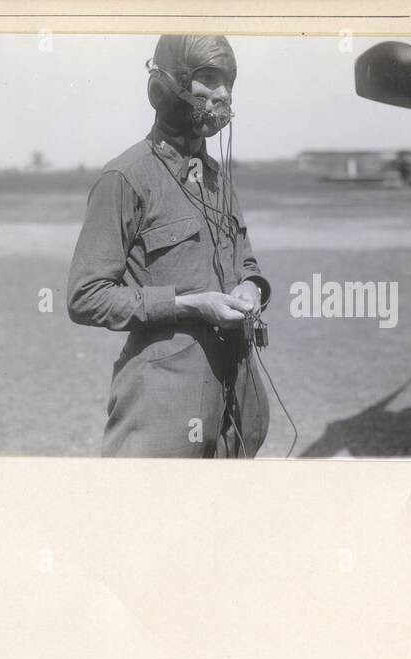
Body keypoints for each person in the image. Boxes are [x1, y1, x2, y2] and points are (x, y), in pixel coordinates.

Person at [68, 34, 272, 457]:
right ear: (166, 87)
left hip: (236, 394)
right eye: (209, 80)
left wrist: (252, 287)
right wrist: (189, 305)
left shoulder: (217, 179)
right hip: (163, 403)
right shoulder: (125, 178)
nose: (222, 95)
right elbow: (86, 297)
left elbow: (246, 262)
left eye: (228, 83)